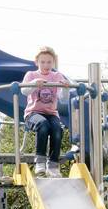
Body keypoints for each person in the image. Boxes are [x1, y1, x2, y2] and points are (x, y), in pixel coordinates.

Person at [21, 46, 72, 176]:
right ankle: (40, 162)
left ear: (53, 62)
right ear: (36, 62)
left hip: (51, 113)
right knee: (43, 125)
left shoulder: (56, 76)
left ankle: (53, 165)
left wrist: (65, 88)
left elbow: (63, 99)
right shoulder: (31, 75)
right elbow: (24, 91)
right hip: (33, 113)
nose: (46, 65)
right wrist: (33, 84)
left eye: (49, 62)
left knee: (57, 129)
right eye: (43, 62)